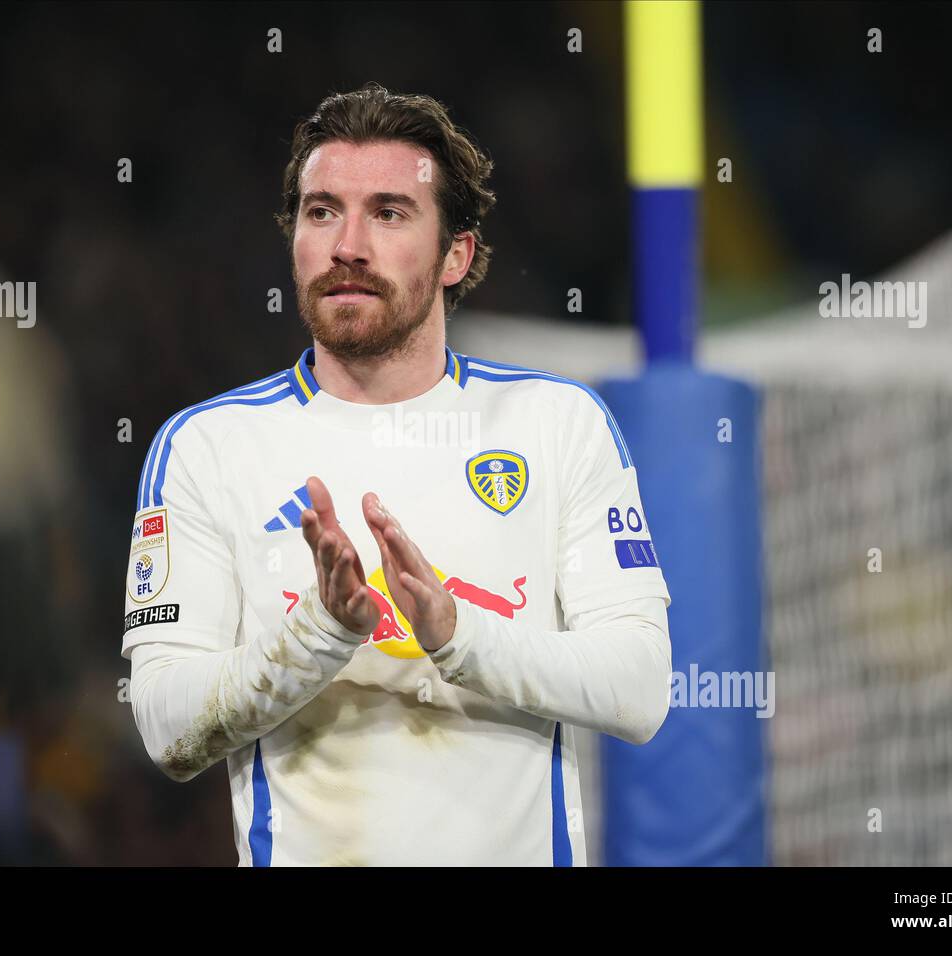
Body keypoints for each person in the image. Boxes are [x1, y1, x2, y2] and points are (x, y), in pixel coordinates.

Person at [123, 83, 672, 866]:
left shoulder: (555, 424)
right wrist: (322, 633)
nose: (348, 243)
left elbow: (640, 688)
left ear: (457, 255)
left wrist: (456, 634)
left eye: (388, 212)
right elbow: (166, 727)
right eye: (321, 211)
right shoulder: (209, 446)